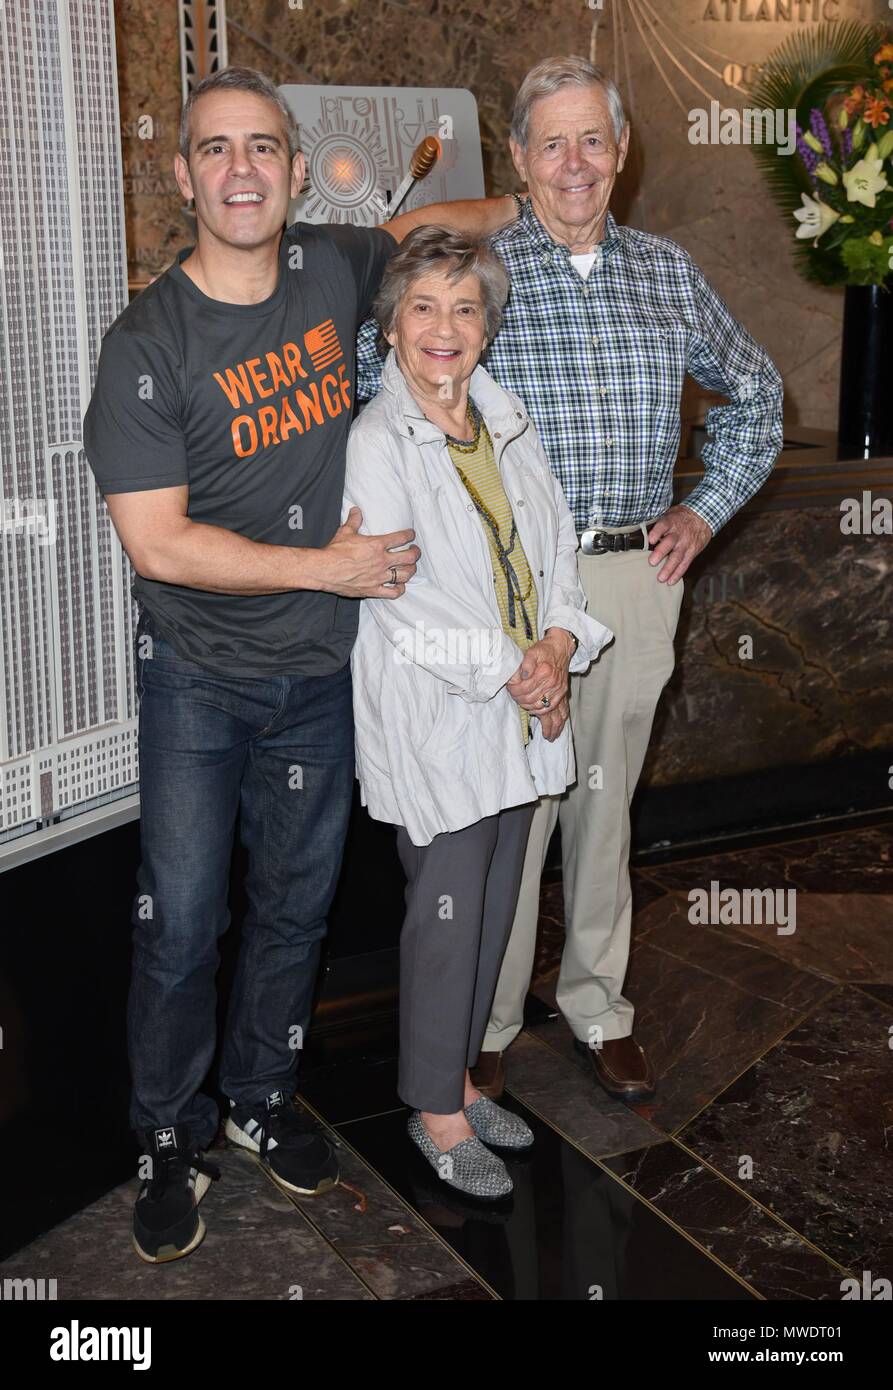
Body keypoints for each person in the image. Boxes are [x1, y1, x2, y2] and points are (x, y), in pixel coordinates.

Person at [82, 64, 525, 1263]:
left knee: (294, 907)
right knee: (181, 918)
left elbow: (441, 231)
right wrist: (321, 570)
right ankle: (166, 1134)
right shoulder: (146, 341)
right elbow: (157, 538)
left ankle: (262, 1097)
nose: (240, 170)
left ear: (290, 166)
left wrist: (551, 183)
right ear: (182, 175)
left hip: (320, 676)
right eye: (215, 149)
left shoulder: (335, 266)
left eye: (262, 148)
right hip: (198, 673)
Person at [356, 56, 784, 1106]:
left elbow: (758, 393)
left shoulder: (666, 273)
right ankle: (487, 1021)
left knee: (604, 806)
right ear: (515, 158)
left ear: (622, 151)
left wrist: (700, 510)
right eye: (548, 142)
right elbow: (392, 269)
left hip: (633, 578)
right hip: (515, 594)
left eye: (591, 139)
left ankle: (596, 1001)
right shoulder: (485, 276)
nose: (574, 163)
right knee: (514, 812)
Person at [344, 225, 611, 1198]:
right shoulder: (378, 442)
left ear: (486, 328)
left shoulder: (505, 422)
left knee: (496, 907)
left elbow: (557, 552)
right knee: (447, 916)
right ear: (390, 329)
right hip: (443, 714)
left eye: (463, 308)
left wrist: (558, 646)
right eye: (422, 307)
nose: (444, 328)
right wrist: (516, 669)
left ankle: (458, 1071)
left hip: (517, 704)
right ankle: (435, 1110)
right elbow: (402, 594)